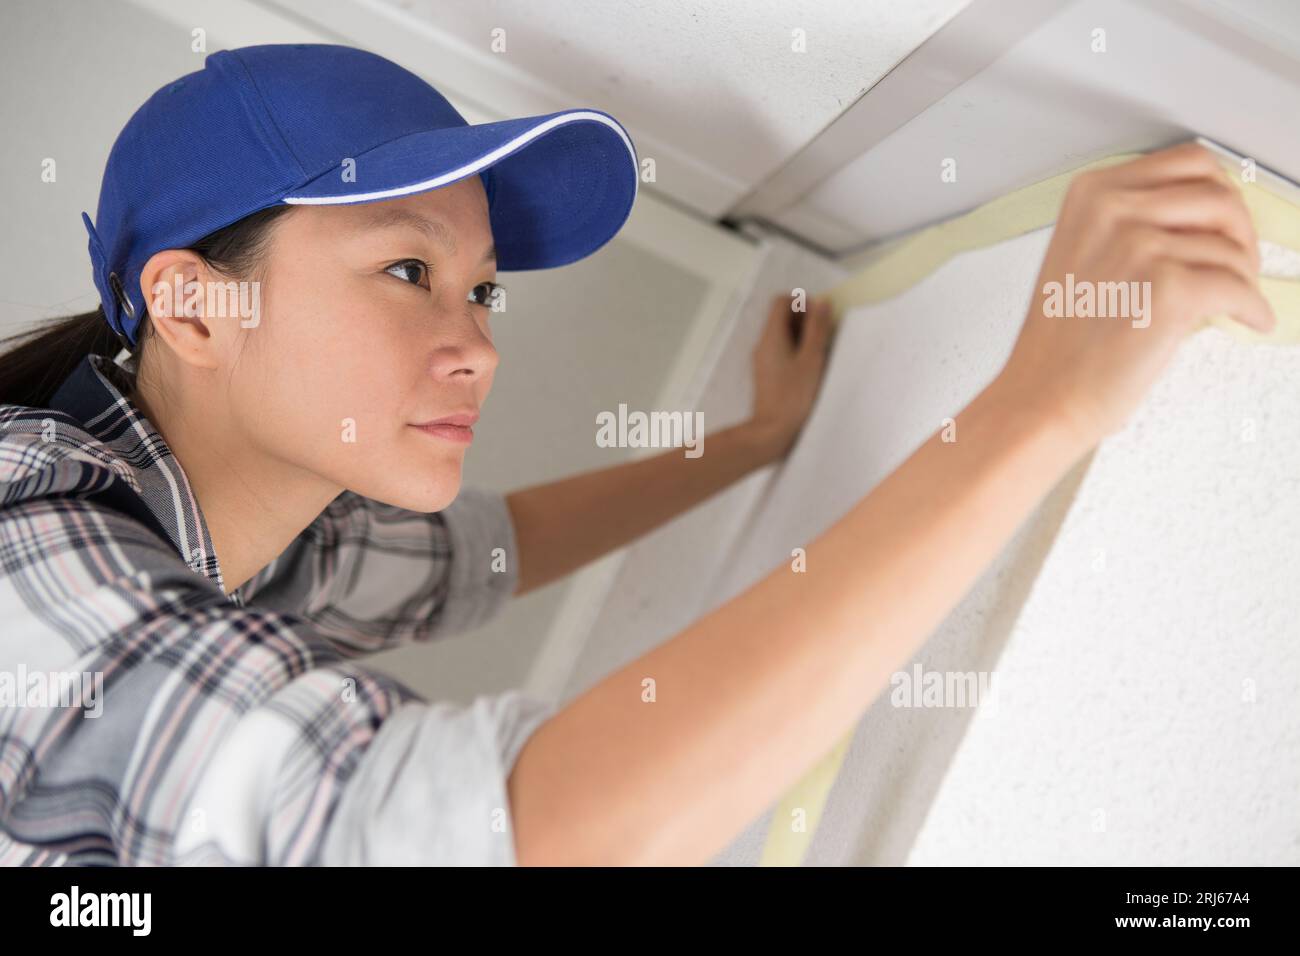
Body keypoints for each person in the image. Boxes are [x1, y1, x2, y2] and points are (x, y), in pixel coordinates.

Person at [0, 43, 1272, 866]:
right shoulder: (29, 545)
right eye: (406, 271)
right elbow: (501, 837)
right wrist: (1038, 405)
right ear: (192, 304)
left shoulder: (271, 527)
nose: (478, 349)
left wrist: (757, 441)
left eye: (483, 292)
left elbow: (477, 557)